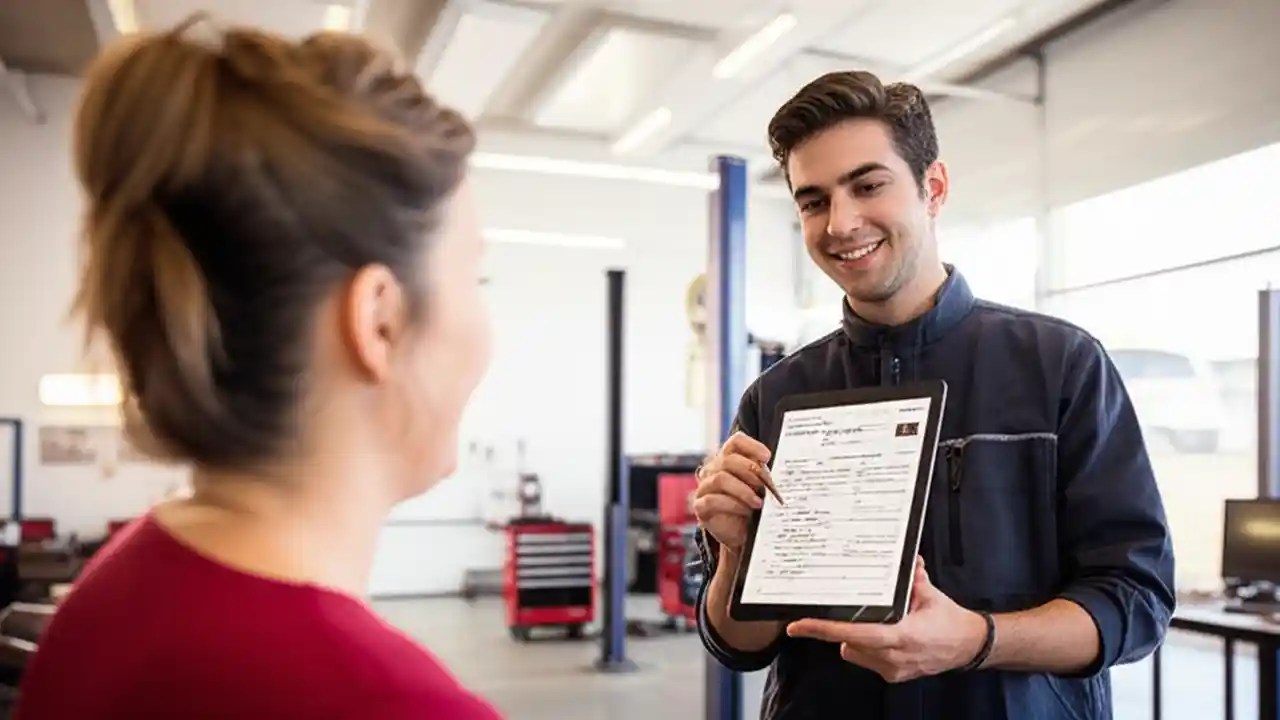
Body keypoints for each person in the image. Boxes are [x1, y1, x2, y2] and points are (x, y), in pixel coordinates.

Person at [16, 17, 500, 720]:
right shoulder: (386, 703)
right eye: (476, 281)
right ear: (379, 321)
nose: (486, 333)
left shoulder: (114, 594)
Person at [692, 70, 1175, 720]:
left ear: (934, 188)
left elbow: (1135, 601)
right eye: (813, 201)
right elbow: (741, 644)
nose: (841, 222)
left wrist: (977, 641)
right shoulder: (778, 397)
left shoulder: (1061, 365)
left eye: (868, 185)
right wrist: (736, 557)